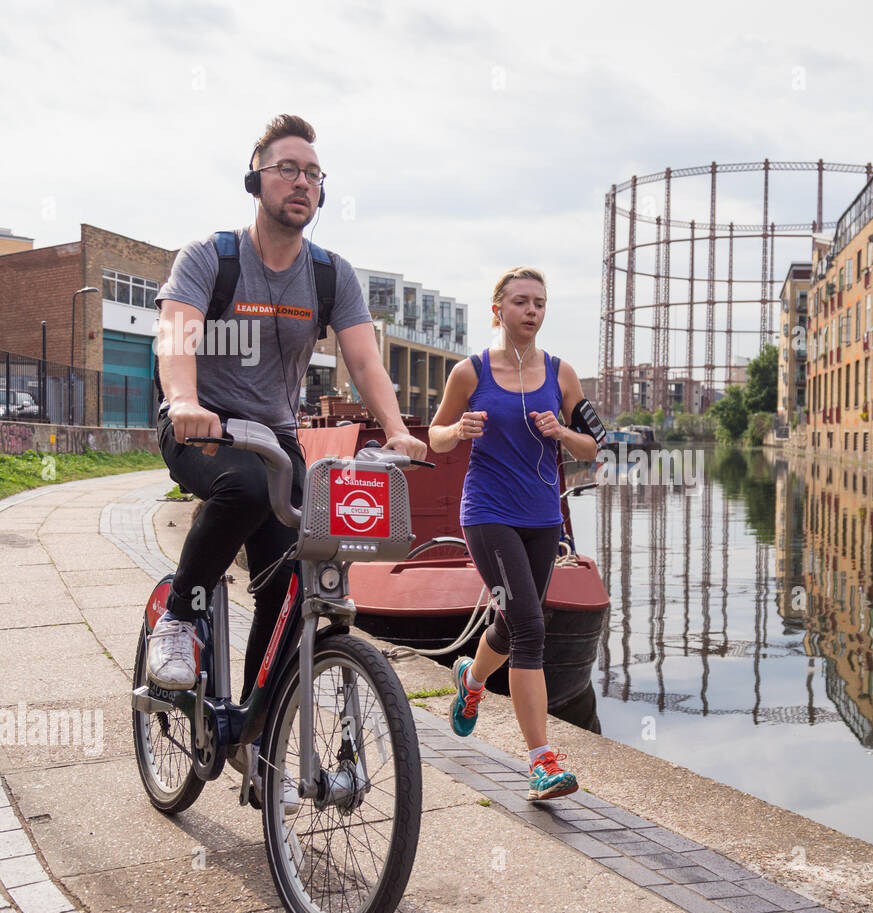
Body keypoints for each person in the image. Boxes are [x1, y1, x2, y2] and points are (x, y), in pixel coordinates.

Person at [146, 115, 426, 792]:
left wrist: (394, 427)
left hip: (276, 437)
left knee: (294, 578)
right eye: (287, 169)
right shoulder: (212, 256)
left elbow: (364, 357)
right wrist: (185, 401)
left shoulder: (330, 276)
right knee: (241, 486)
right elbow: (174, 333)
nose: (301, 181)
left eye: (312, 173)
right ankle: (180, 616)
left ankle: (253, 731)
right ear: (256, 177)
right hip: (202, 431)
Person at [427, 268, 599, 800]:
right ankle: (541, 761)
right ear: (497, 308)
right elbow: (435, 436)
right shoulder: (469, 372)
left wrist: (561, 431)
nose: (533, 311)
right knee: (530, 624)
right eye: (522, 302)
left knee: (510, 621)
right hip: (488, 514)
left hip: (544, 516)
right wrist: (458, 431)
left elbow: (593, 448)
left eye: (541, 304)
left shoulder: (561, 372)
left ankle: (470, 681)